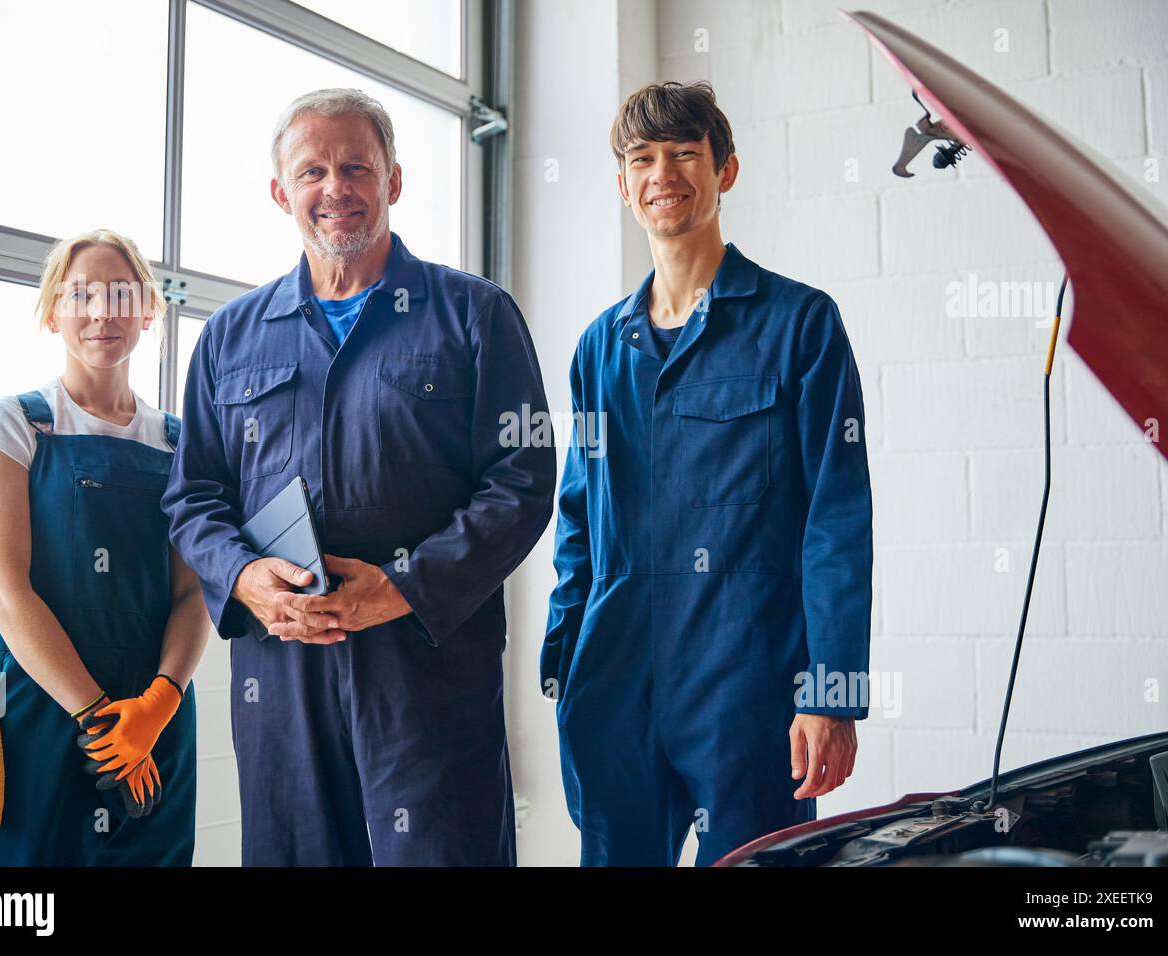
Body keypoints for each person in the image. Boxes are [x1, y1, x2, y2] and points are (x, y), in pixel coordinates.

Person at [162, 88, 556, 866]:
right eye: (312, 172)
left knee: (447, 852)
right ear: (281, 192)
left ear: (393, 182)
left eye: (355, 167)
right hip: (283, 664)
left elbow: (523, 480)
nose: (334, 188)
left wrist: (402, 586)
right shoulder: (229, 337)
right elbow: (193, 495)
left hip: (427, 659)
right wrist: (243, 577)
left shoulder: (474, 314)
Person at [542, 81, 873, 866]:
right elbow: (579, 515)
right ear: (624, 187)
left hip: (747, 679)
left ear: (725, 171)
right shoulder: (599, 347)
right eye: (643, 158)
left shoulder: (800, 324)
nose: (665, 173)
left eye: (686, 152)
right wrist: (562, 661)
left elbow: (837, 517)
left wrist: (831, 692)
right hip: (614, 676)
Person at [0, 229, 208, 865]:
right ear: (52, 312)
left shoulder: (180, 444)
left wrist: (157, 705)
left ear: (150, 310)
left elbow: (194, 590)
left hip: (153, 727)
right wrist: (100, 721)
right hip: (37, 715)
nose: (102, 311)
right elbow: (4, 592)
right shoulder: (12, 426)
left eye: (122, 293)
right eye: (81, 294)